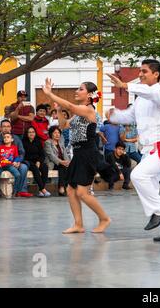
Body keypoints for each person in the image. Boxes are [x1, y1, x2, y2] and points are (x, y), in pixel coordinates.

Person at [106, 59, 160, 242]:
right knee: (152, 190)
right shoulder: (140, 99)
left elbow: (152, 93)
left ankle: (159, 212)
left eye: (144, 71)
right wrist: (114, 115)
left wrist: (125, 85)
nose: (140, 74)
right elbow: (129, 115)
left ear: (156, 74)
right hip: (150, 150)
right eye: (139, 71)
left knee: (137, 176)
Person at [42, 79, 111, 234]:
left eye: (80, 89)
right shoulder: (79, 113)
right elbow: (63, 125)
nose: (76, 91)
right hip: (78, 154)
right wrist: (59, 110)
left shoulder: (88, 110)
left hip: (88, 153)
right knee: (71, 190)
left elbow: (71, 106)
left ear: (89, 95)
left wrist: (50, 94)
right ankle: (78, 224)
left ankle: (104, 218)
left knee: (82, 192)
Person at [0, 119, 33, 198]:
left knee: (24, 167)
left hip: (13, 163)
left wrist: (18, 161)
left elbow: (21, 153)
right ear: (0, 128)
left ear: (11, 128)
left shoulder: (16, 139)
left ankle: (20, 191)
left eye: (8, 126)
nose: (6, 128)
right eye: (4, 126)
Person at [0, 133, 23, 198]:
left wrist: (16, 161)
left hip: (10, 166)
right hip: (0, 166)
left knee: (18, 175)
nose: (6, 138)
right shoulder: (0, 147)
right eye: (4, 137)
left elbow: (17, 156)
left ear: (12, 139)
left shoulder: (14, 147)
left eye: (8, 137)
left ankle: (15, 191)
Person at [22, 126, 50, 197]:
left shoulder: (38, 141)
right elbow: (23, 154)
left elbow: (42, 154)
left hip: (37, 161)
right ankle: (43, 189)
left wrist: (39, 161)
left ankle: (40, 190)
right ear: (27, 133)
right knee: (35, 169)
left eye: (33, 132)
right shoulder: (23, 142)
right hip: (27, 161)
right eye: (30, 132)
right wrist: (34, 162)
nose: (31, 134)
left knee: (45, 167)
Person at [45, 126, 70, 196]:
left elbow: (65, 155)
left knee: (69, 167)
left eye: (58, 133)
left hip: (62, 164)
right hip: (52, 163)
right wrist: (62, 162)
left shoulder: (61, 143)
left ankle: (66, 187)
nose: (57, 134)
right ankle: (62, 187)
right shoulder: (47, 142)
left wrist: (67, 162)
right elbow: (51, 156)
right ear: (51, 134)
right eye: (55, 133)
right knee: (62, 166)